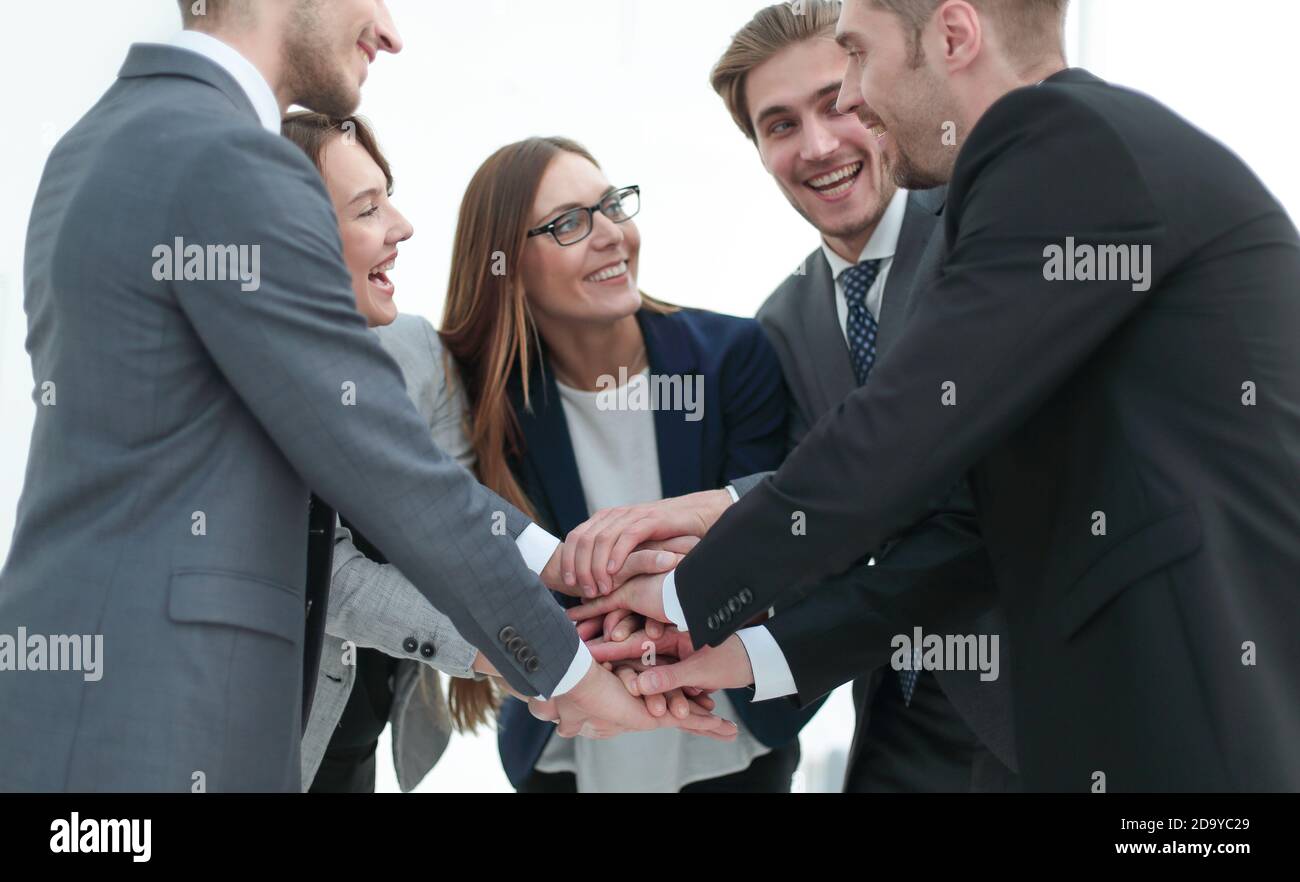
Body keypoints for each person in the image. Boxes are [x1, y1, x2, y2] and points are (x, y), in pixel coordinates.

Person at [563, 0, 1300, 791]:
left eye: (856, 56)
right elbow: (953, 514)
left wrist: (685, 591)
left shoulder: (1056, 147)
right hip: (1094, 715)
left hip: (1183, 706)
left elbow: (903, 441)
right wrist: (726, 649)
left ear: (953, 35)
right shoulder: (1056, 164)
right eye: (782, 122)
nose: (851, 99)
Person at [0, 0, 731, 793]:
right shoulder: (228, 156)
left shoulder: (95, 146)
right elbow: (389, 471)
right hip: (162, 724)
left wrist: (564, 567)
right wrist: (566, 668)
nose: (389, 29)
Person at [440, 136, 817, 792]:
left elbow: (762, 549)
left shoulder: (733, 356)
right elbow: (490, 579)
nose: (612, 233)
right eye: (568, 223)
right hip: (570, 739)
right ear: (506, 264)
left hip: (729, 734)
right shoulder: (483, 400)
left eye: (612, 205)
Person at [706, 0, 1016, 791]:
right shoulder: (779, 323)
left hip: (1040, 702)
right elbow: (809, 524)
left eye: (836, 103)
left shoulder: (986, 232)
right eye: (780, 125)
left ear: (878, 96)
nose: (817, 146)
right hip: (894, 712)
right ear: (759, 151)